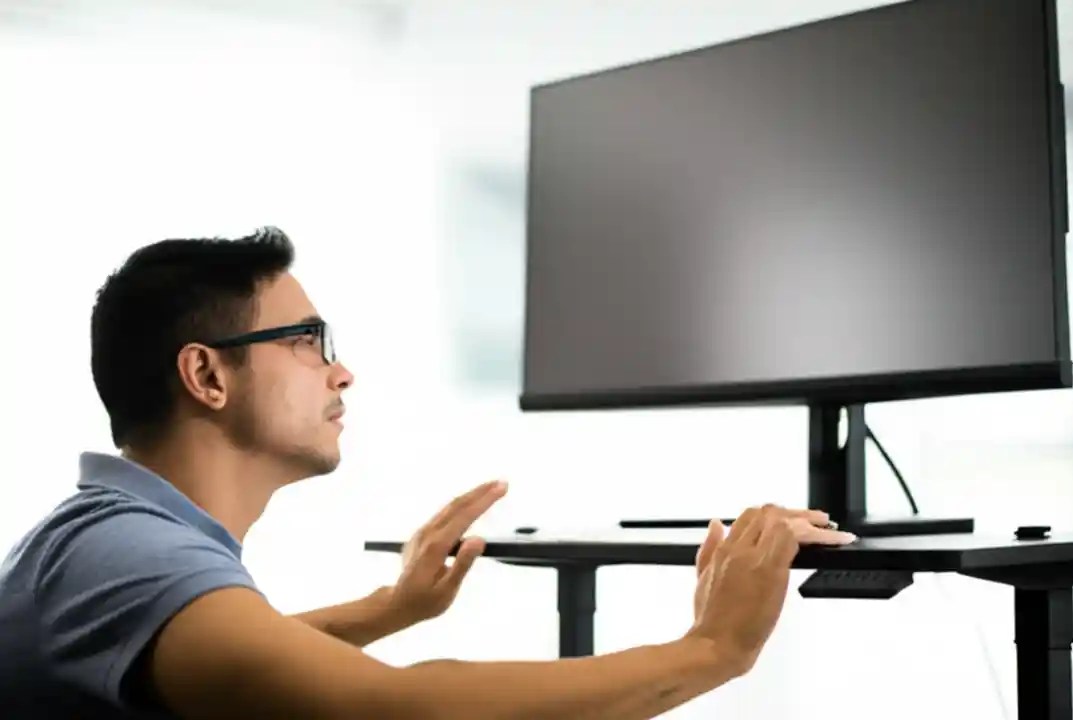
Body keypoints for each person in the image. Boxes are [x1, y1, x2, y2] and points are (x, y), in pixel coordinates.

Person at [0, 227, 856, 719]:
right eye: (307, 342)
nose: (341, 373)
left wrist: (389, 608)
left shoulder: (112, 543)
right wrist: (713, 649)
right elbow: (401, 714)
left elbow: (230, 664)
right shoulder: (126, 554)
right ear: (208, 376)